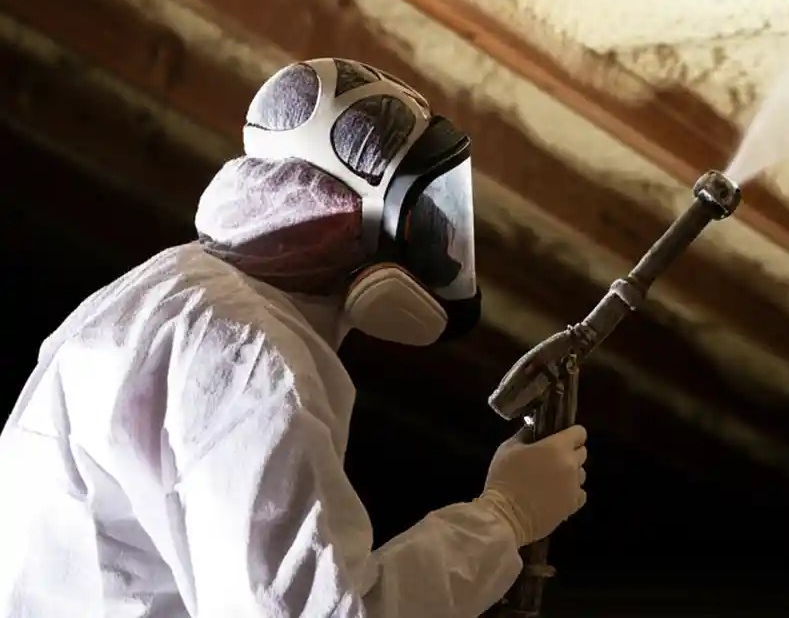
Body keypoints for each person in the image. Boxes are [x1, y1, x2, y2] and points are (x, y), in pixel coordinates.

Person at [0, 58, 588, 617]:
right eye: (422, 218)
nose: (437, 244)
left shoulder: (174, 288)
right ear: (340, 216)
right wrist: (504, 517)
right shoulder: (250, 353)